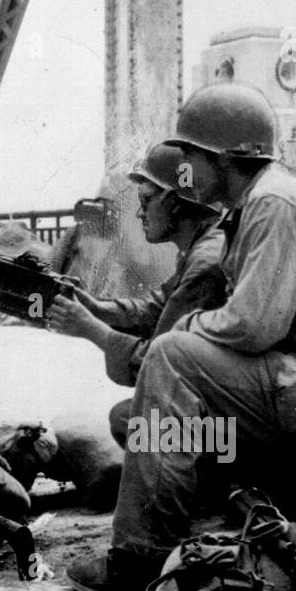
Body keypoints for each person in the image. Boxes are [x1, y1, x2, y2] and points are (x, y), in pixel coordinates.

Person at [61, 81, 296, 591]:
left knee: (174, 357)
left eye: (190, 155)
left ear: (219, 157)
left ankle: (141, 555)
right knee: (141, 413)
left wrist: (184, 332)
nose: (182, 168)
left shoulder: (274, 203)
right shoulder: (254, 206)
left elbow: (252, 324)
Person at [47, 142, 228, 447]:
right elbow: (157, 306)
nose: (140, 213)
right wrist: (96, 308)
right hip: (223, 400)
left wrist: (92, 330)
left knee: (131, 420)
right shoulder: (202, 249)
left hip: (230, 422)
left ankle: (214, 488)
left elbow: (162, 362)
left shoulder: (205, 265)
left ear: (172, 202)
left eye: (145, 201)